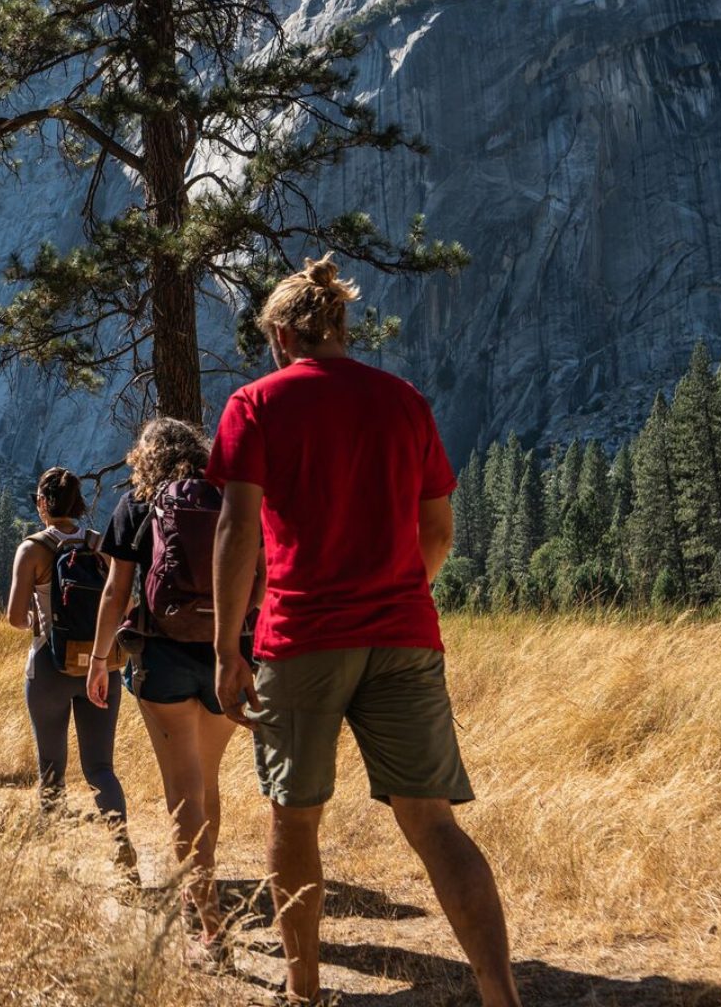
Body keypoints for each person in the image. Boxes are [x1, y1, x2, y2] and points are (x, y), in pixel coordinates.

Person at [209, 255, 520, 1007]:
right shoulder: (404, 402)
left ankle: (305, 988)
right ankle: (500, 994)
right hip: (405, 633)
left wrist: (226, 648)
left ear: (282, 334)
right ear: (340, 327)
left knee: (297, 814)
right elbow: (439, 530)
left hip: (303, 633)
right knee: (433, 822)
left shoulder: (256, 404)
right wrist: (397, 590)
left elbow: (237, 528)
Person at [86, 418, 263, 961]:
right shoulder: (230, 499)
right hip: (228, 657)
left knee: (182, 790)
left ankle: (208, 921)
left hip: (163, 660)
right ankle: (200, 893)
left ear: (148, 459)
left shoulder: (141, 506)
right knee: (206, 783)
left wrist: (99, 658)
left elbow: (117, 589)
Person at [5, 468, 134, 870]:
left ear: (43, 503)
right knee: (100, 767)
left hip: (49, 667)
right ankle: (121, 846)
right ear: (77, 503)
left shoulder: (32, 549)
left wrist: (38, 613)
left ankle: (50, 860)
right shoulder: (100, 545)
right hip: (101, 665)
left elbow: (15, 619)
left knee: (51, 767)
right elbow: (123, 602)